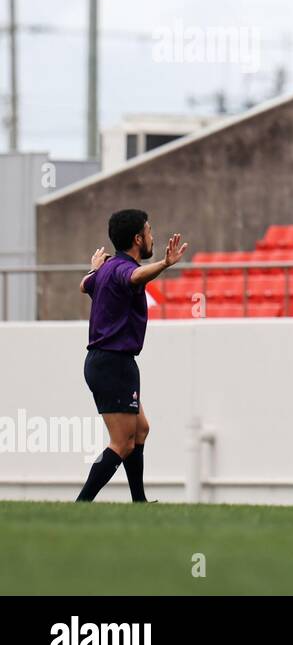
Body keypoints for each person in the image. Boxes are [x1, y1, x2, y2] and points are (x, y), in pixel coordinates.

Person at [76, 209, 187, 503]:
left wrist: (93, 268)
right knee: (122, 443)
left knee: (140, 429)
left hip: (112, 363)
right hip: (112, 363)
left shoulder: (106, 269)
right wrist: (164, 263)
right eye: (149, 231)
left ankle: (139, 502)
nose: (153, 236)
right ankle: (81, 504)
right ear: (138, 238)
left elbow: (84, 285)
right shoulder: (125, 269)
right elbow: (136, 276)